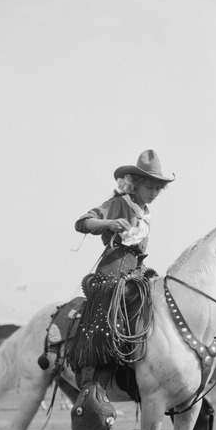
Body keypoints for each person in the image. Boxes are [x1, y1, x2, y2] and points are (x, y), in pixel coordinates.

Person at [70, 149, 175, 378]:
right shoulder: (119, 203)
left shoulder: (145, 212)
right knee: (111, 306)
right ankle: (95, 364)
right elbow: (82, 222)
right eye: (150, 187)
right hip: (113, 268)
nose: (155, 193)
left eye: (158, 188)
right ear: (135, 184)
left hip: (136, 269)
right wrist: (109, 222)